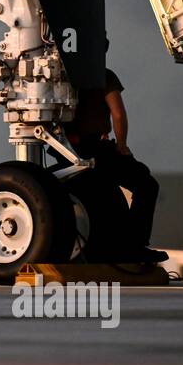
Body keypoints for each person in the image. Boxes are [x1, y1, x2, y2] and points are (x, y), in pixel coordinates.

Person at [64, 37, 164, 262]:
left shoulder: (66, 76)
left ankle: (112, 247)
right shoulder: (105, 76)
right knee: (146, 184)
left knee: (103, 194)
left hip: (69, 147)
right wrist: (121, 145)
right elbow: (118, 113)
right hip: (97, 149)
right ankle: (134, 246)